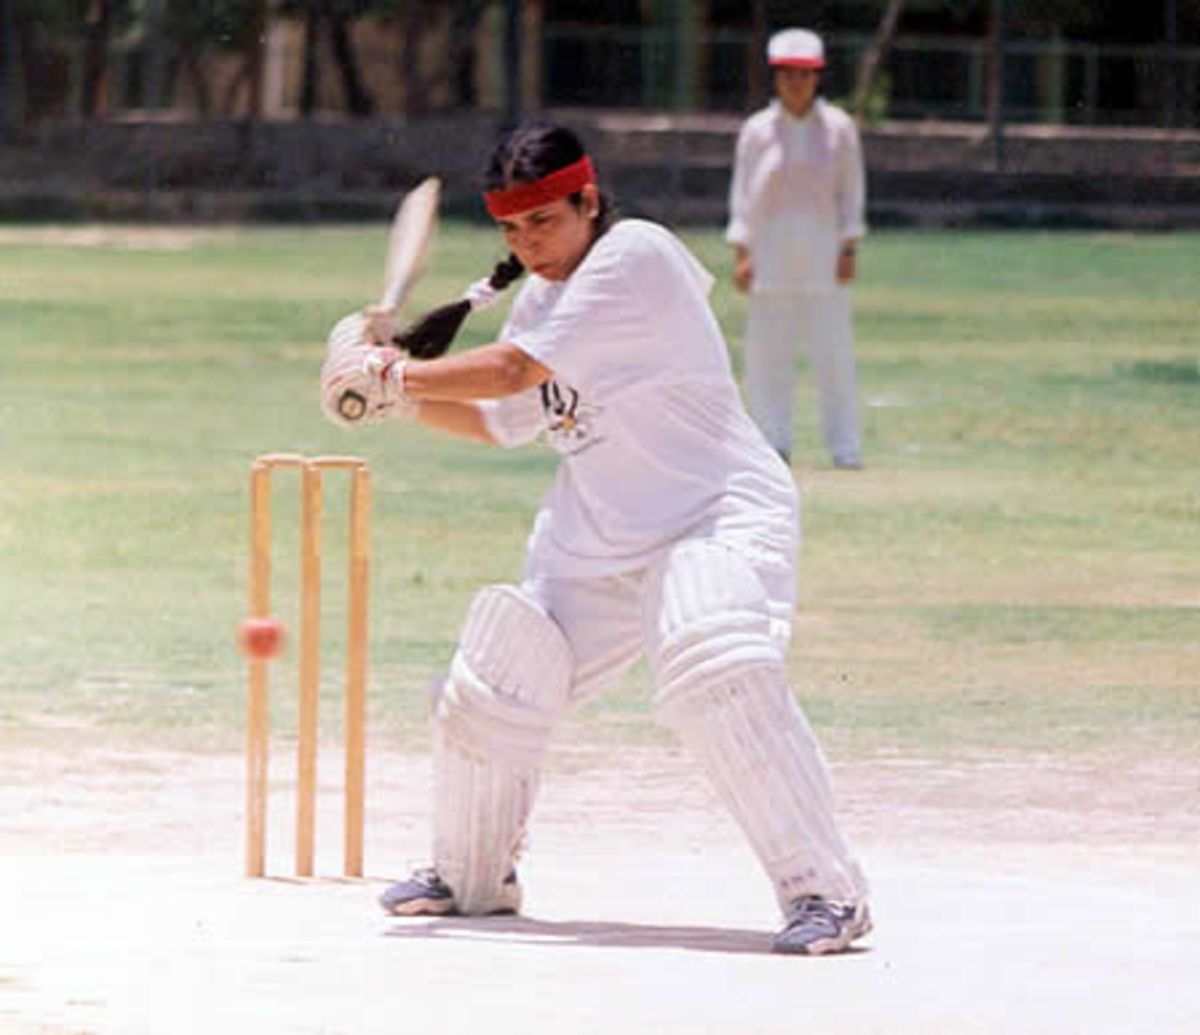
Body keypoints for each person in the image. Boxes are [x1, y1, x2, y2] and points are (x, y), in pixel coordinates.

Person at [319, 121, 871, 956]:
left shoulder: (636, 256)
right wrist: (384, 399)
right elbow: (501, 420)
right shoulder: (541, 300)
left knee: (709, 657)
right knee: (492, 677)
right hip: (597, 538)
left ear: (588, 198)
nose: (528, 243)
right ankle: (472, 878)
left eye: (544, 220)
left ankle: (826, 893)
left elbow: (509, 372)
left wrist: (392, 372)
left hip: (713, 514)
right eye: (512, 228)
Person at [727, 27, 866, 469]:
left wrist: (849, 247)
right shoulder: (756, 131)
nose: (796, 83)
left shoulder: (839, 128)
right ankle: (771, 446)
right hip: (770, 256)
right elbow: (742, 195)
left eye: (804, 75)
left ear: (817, 77)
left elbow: (852, 191)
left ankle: (845, 449)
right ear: (775, 77)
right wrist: (742, 253)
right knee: (768, 358)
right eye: (787, 74)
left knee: (834, 357)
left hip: (824, 255)